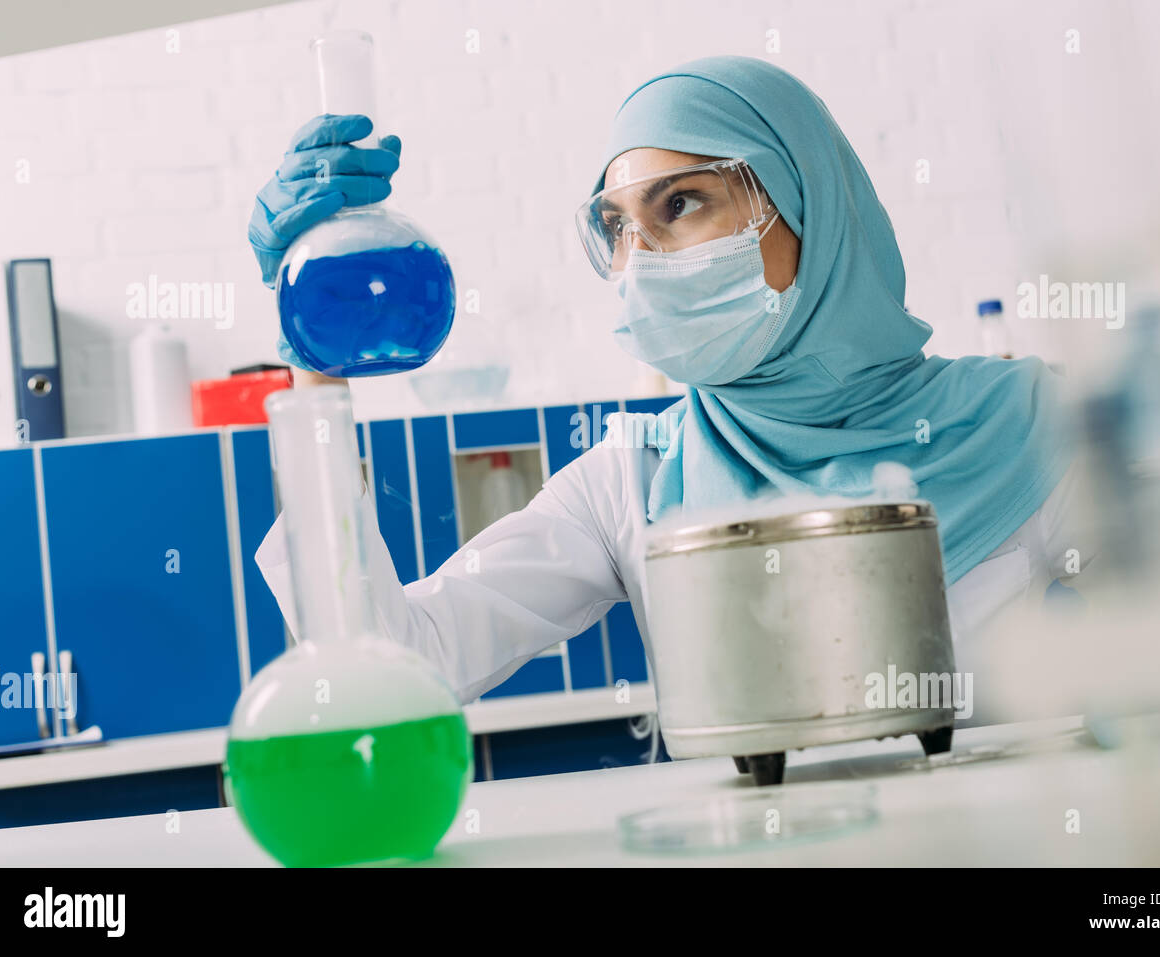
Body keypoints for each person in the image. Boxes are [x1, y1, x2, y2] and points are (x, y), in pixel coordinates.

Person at [247, 56, 1092, 705]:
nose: (636, 262)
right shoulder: (636, 479)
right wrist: (313, 350)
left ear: (810, 210)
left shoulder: (1034, 423)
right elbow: (389, 671)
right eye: (616, 226)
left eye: (680, 204)